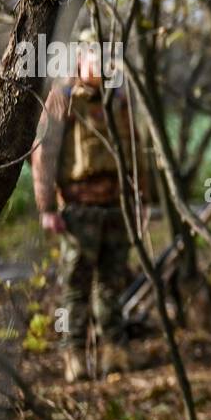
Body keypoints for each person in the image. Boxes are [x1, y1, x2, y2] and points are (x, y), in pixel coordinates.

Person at [32, 29, 144, 382]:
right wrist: (47, 207)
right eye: (94, 54)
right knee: (75, 284)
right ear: (80, 57)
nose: (102, 62)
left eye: (107, 55)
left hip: (115, 205)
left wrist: (140, 199)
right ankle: (74, 354)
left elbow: (136, 152)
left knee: (112, 282)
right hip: (78, 208)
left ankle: (114, 349)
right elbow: (43, 154)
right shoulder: (63, 98)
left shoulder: (118, 99)